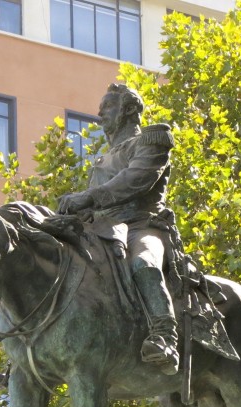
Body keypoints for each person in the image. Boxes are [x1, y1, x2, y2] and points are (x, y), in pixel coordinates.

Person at [58, 84, 179, 375]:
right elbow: (94, 207)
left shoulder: (151, 141)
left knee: (143, 263)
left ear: (129, 109)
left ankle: (165, 337)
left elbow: (134, 180)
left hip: (141, 225)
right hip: (102, 231)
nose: (100, 114)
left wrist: (88, 197)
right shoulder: (103, 159)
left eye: (108, 107)